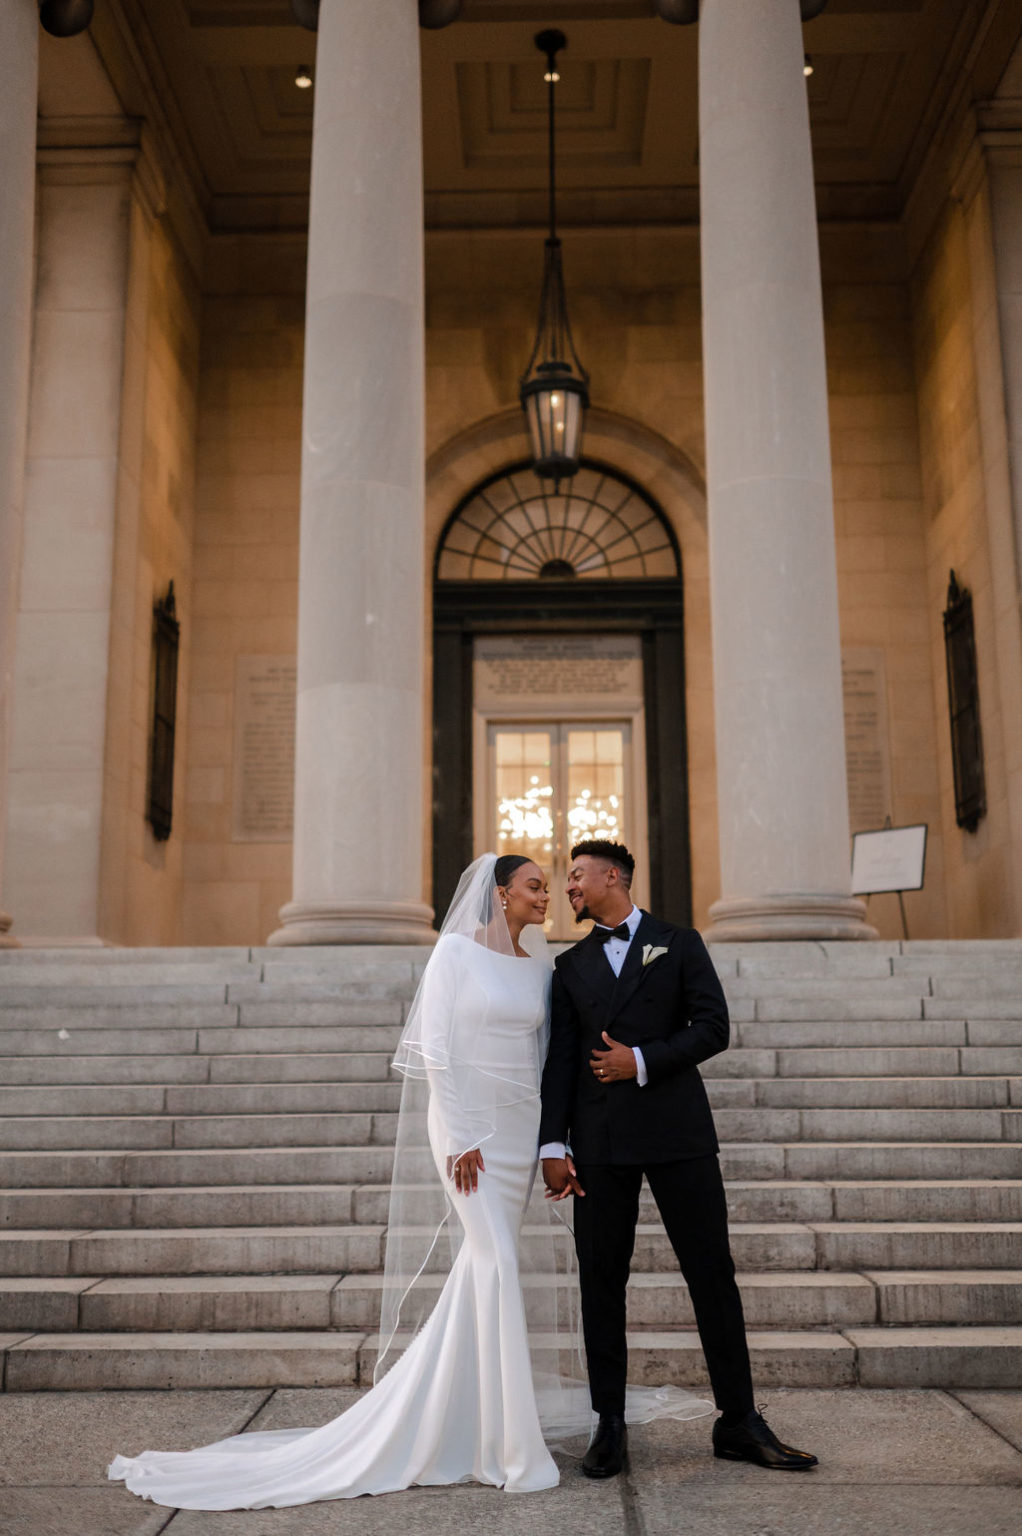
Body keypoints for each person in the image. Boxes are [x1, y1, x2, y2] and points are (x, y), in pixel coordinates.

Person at [107, 852, 708, 1511]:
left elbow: (551, 1055)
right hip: (470, 1134)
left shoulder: (542, 964)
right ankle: (509, 1442)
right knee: (497, 1262)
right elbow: (434, 1051)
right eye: (535, 886)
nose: (547, 896)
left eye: (550, 886)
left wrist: (552, 1140)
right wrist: (461, 1135)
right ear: (500, 894)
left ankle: (467, 1413)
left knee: (483, 1270)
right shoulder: (455, 953)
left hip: (518, 1128)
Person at [540, 839, 818, 1478]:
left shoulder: (680, 942)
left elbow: (713, 1027)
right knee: (601, 1282)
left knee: (711, 1273)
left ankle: (739, 1420)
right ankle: (609, 1423)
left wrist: (638, 1060)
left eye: (578, 875)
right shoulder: (568, 965)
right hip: (600, 1143)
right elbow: (560, 1060)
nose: (570, 887)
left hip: (678, 1135)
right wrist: (553, 1143)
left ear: (615, 877)